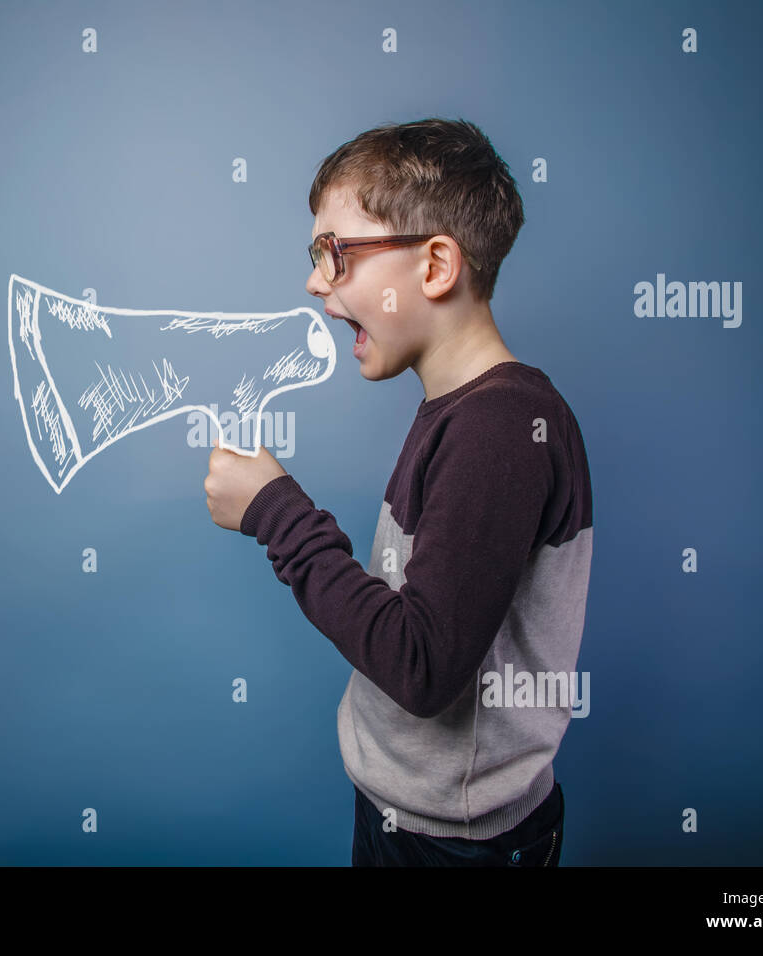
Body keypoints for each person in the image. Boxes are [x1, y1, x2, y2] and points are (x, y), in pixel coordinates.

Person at [203, 117, 592, 866]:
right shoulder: (466, 413)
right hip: (410, 814)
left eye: (337, 252)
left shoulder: (502, 430)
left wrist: (277, 514)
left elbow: (424, 667)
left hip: (454, 845)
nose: (316, 280)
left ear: (436, 265)